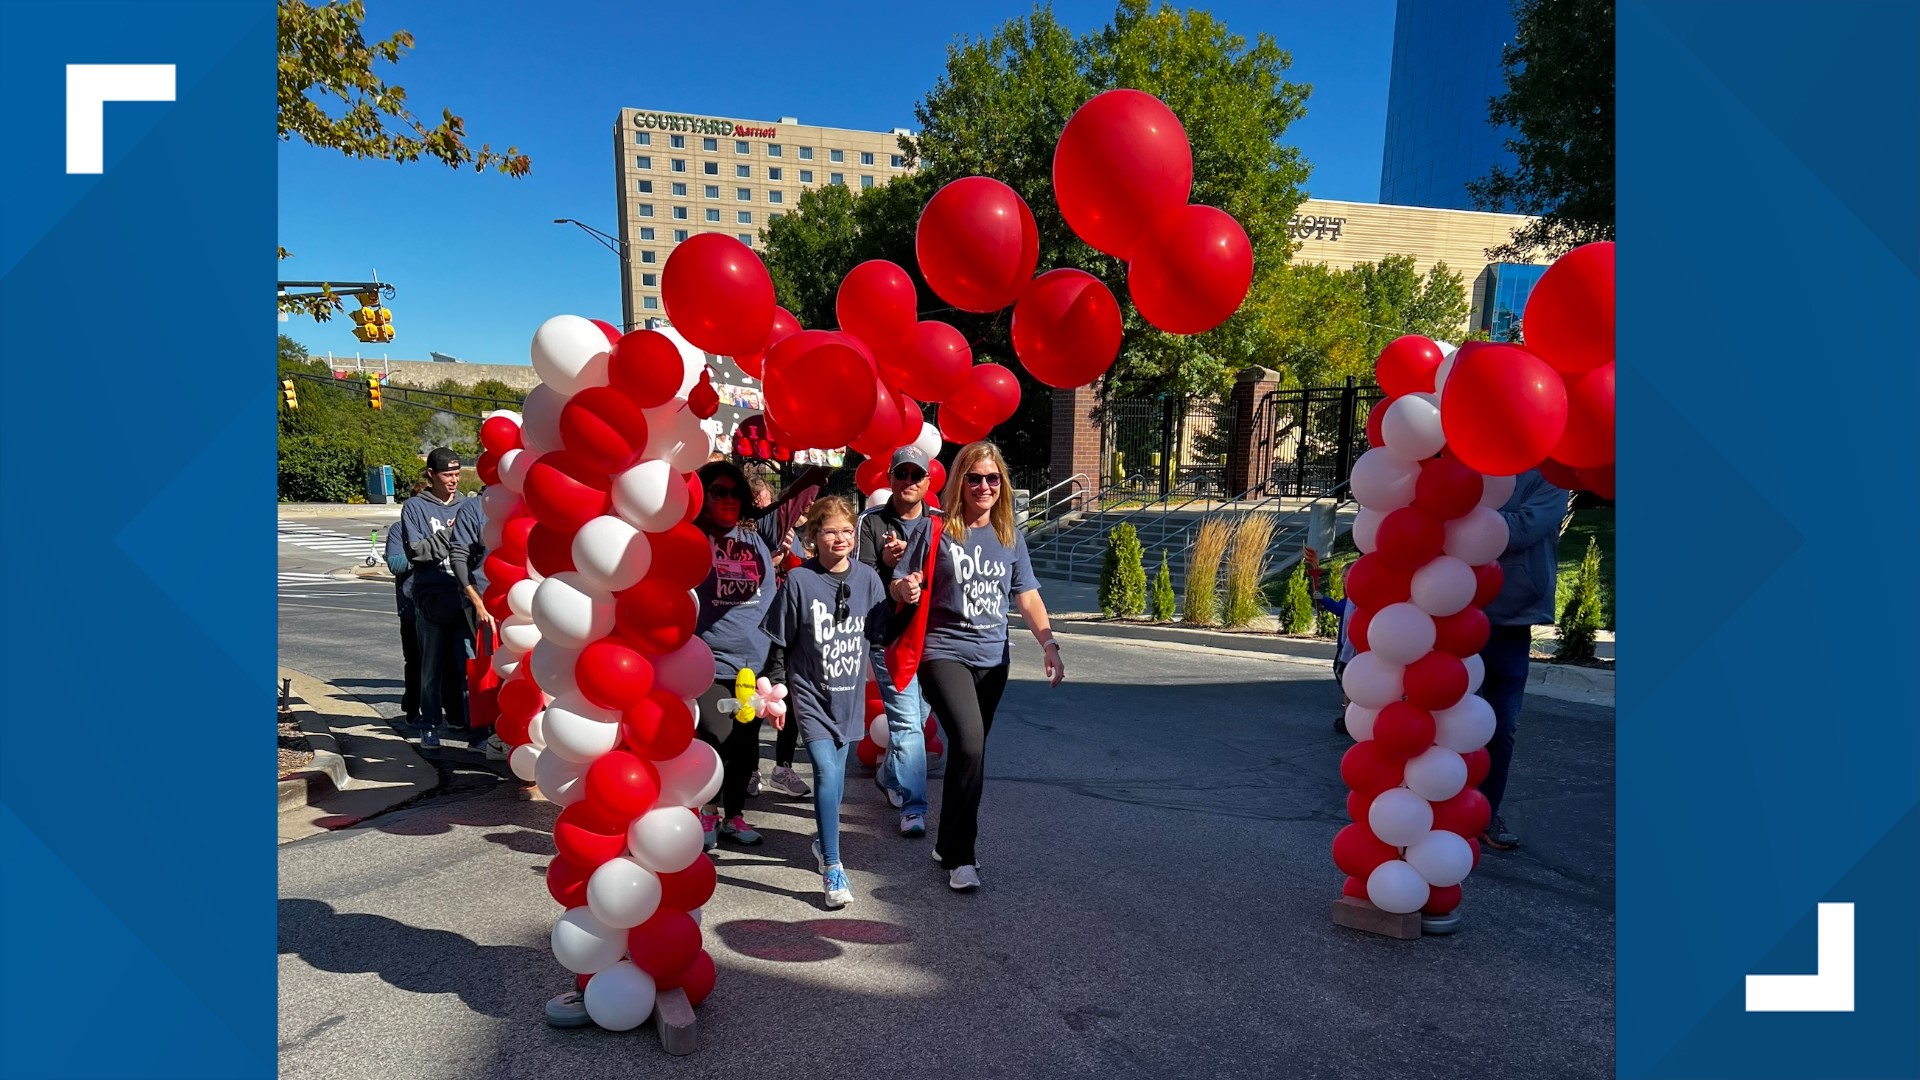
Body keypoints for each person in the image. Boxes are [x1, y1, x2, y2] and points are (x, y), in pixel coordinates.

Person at [891, 441, 1064, 892]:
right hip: (942, 652)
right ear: (960, 481)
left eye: (992, 478)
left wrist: (1049, 643)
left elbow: (1026, 596)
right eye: (974, 477)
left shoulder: (1009, 536)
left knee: (973, 755)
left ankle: (947, 843)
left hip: (994, 660)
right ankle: (963, 857)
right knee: (968, 744)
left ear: (1001, 484)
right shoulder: (934, 531)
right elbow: (899, 581)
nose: (984, 486)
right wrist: (904, 589)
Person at [759, 496, 888, 907]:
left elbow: (884, 633)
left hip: (847, 698)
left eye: (847, 531)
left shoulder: (869, 580)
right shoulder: (799, 581)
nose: (840, 538)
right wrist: (776, 695)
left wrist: (905, 596)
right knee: (826, 775)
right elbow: (778, 645)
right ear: (813, 536)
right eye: (830, 531)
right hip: (810, 695)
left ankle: (822, 843)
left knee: (837, 782)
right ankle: (833, 866)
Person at [690, 460, 826, 848]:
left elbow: (802, 492)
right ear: (703, 497)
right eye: (719, 491)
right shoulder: (693, 537)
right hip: (709, 664)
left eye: (736, 493)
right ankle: (706, 812)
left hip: (756, 668)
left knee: (746, 747)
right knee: (718, 735)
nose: (730, 499)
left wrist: (818, 459)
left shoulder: (758, 537)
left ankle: (734, 816)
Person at [1475, 469, 1572, 851]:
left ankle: (1484, 813)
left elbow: (1521, 530)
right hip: (1449, 611)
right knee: (1443, 722)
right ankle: (1436, 810)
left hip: (1509, 619)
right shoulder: (1466, 460)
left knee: (1500, 727)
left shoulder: (1549, 475)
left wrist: (1464, 516)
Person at [858, 445, 941, 836]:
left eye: (916, 475)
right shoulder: (871, 522)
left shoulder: (941, 523)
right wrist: (888, 568)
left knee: (919, 718)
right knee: (908, 725)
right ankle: (914, 807)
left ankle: (890, 774)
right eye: (901, 474)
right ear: (889, 477)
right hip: (888, 638)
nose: (908, 481)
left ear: (927, 482)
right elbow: (857, 581)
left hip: (932, 639)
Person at [394, 448, 470, 750]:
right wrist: (450, 535)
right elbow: (416, 552)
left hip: (464, 598)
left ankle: (475, 732)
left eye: (456, 474)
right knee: (431, 669)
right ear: (431, 475)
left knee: (468, 667)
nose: (453, 480)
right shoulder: (414, 507)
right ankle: (429, 726)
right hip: (430, 599)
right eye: (446, 475)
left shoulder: (468, 505)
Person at [383, 479, 431, 731]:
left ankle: (452, 711)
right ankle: (412, 708)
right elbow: (396, 564)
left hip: (441, 604)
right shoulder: (398, 529)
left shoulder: (440, 525)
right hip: (411, 607)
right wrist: (421, 551)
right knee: (415, 660)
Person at [1305, 549, 1356, 734]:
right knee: (1339, 672)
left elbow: (1341, 609)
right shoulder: (1348, 596)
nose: (1343, 579)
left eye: (1346, 575)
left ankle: (1349, 709)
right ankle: (1347, 704)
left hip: (1350, 646)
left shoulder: (1354, 598)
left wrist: (1324, 599)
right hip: (1344, 644)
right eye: (1342, 575)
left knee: (1343, 674)